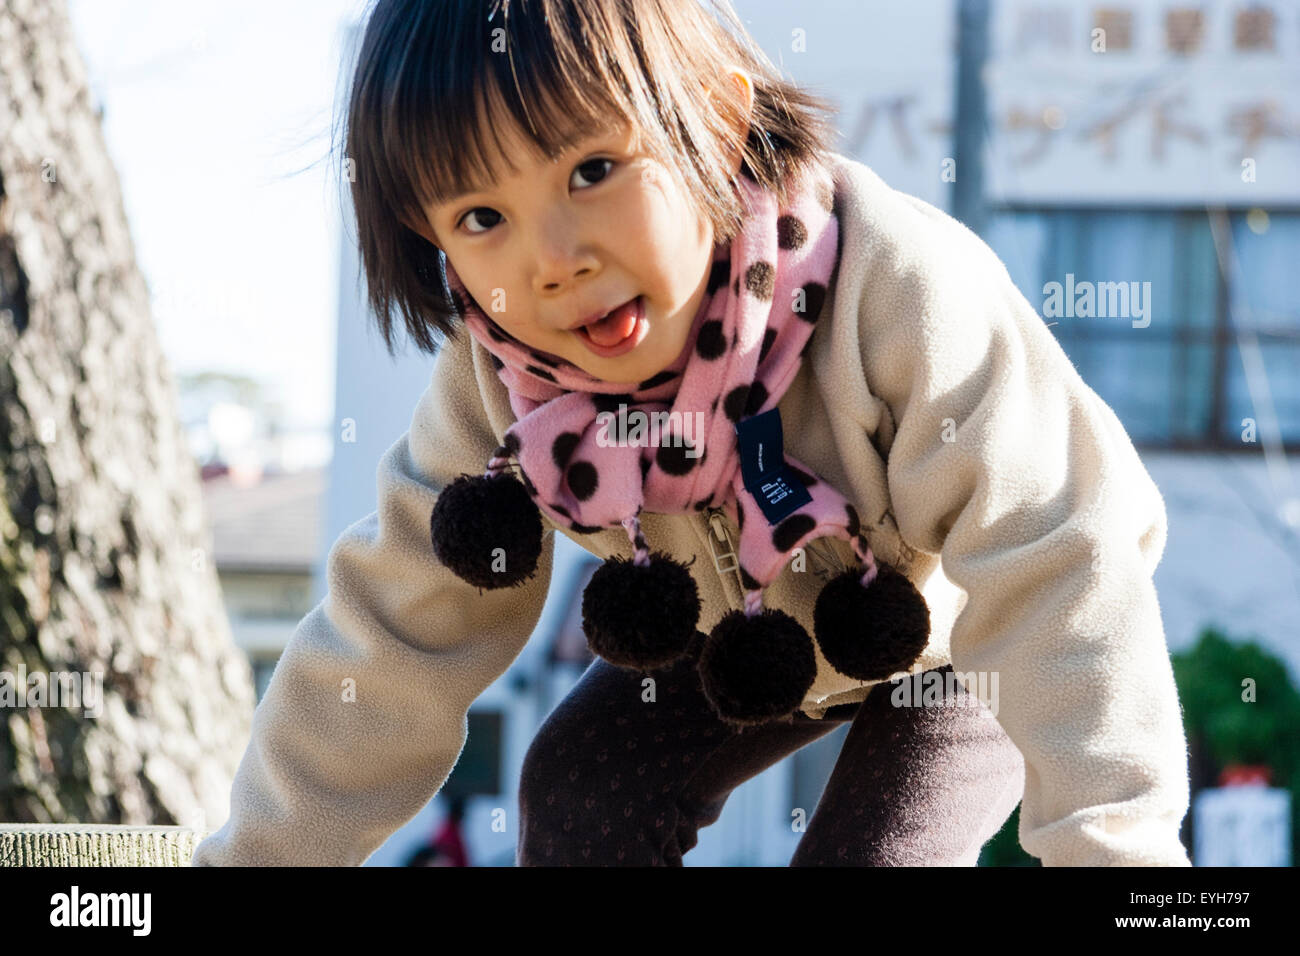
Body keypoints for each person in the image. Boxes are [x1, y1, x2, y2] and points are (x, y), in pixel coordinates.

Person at [191, 0, 1191, 867]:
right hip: (731, 638)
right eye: (483, 216)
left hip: (952, 627)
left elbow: (1056, 572)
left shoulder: (898, 293)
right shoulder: (502, 394)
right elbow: (389, 642)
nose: (554, 260)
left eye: (591, 169)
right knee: (583, 785)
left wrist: (1120, 856)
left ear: (716, 117)